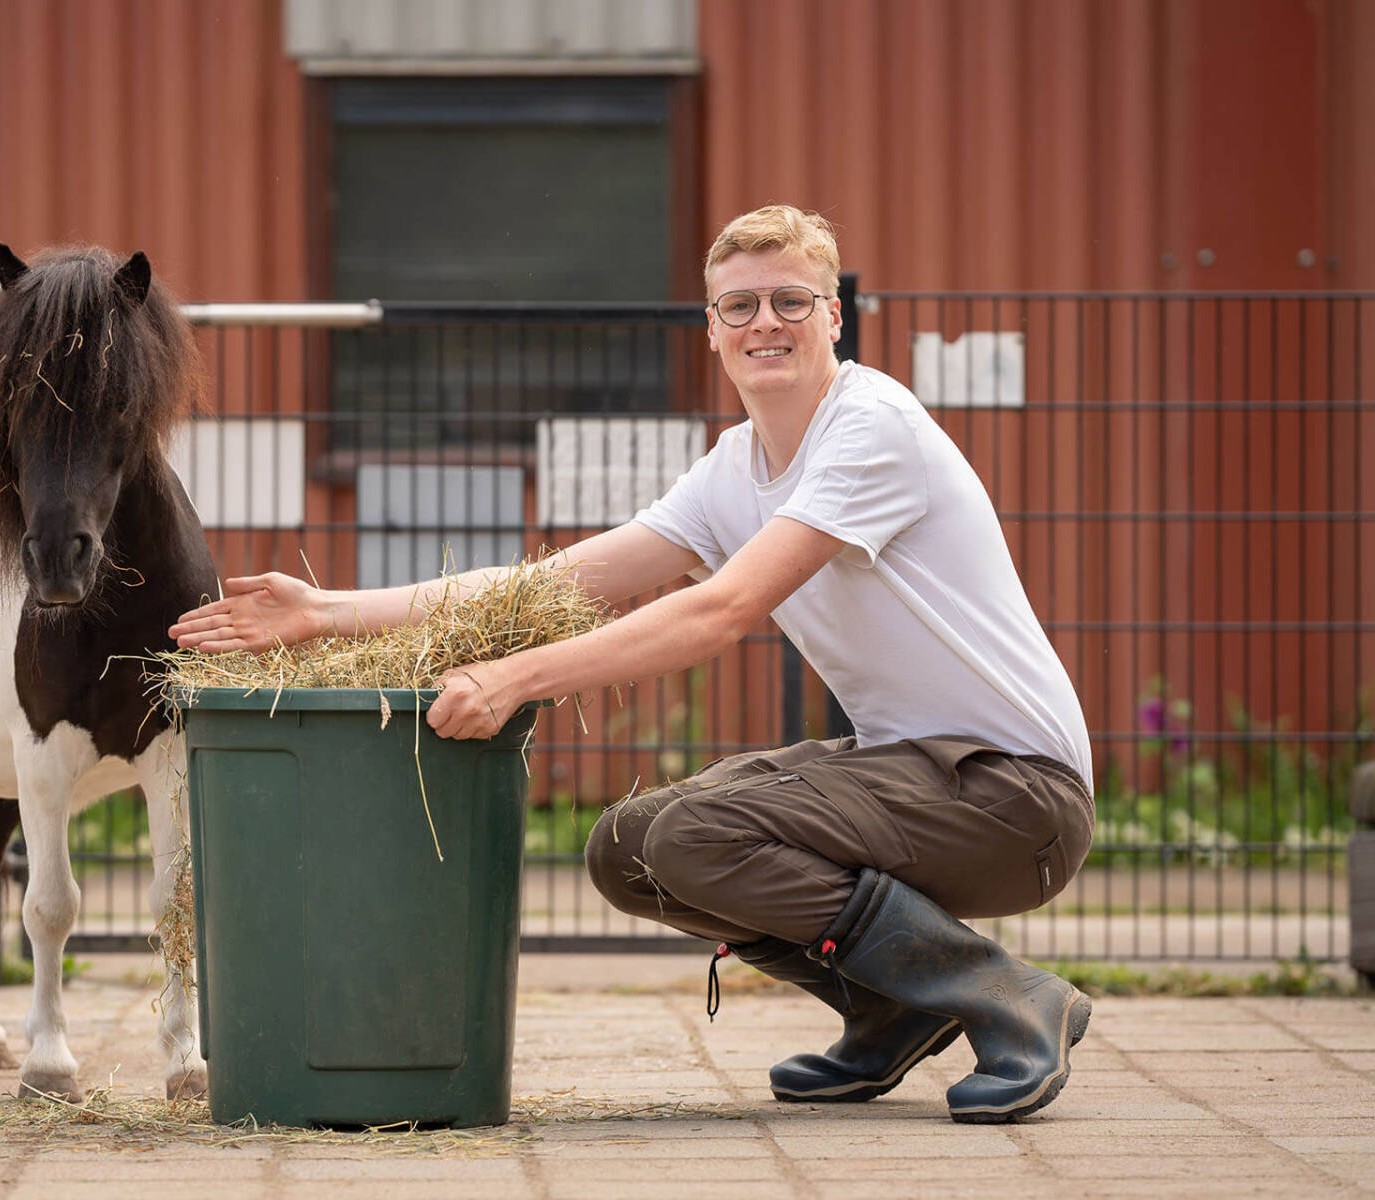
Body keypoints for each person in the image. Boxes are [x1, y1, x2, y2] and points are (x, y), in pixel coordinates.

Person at [168, 204, 1096, 1124]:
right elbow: (557, 581)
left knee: (692, 837)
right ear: (712, 329)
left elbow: (720, 610)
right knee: (629, 852)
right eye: (740, 306)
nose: (764, 322)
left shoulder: (872, 425)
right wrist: (324, 613)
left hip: (1017, 796)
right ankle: (888, 1008)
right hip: (913, 774)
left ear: (833, 316)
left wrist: (514, 679)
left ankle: (1003, 996)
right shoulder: (734, 467)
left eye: (790, 300)